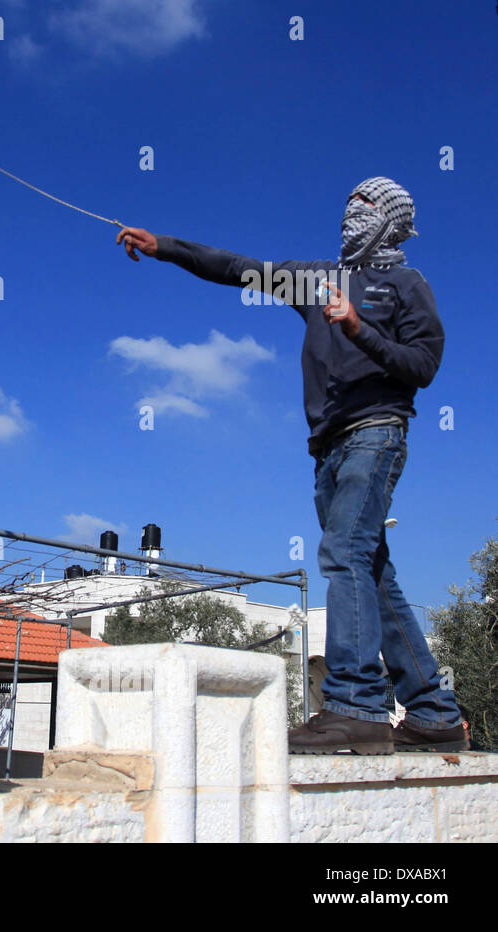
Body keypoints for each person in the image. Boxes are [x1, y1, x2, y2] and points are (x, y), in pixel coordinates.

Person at [115, 177, 467, 754]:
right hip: (325, 448)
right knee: (371, 570)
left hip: (375, 432)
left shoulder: (408, 284)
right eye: (349, 203)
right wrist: (168, 248)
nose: (352, 213)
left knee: (344, 554)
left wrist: (359, 328)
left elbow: (422, 365)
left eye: (366, 206)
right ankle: (434, 711)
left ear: (392, 221)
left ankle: (357, 706)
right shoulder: (315, 278)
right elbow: (239, 268)